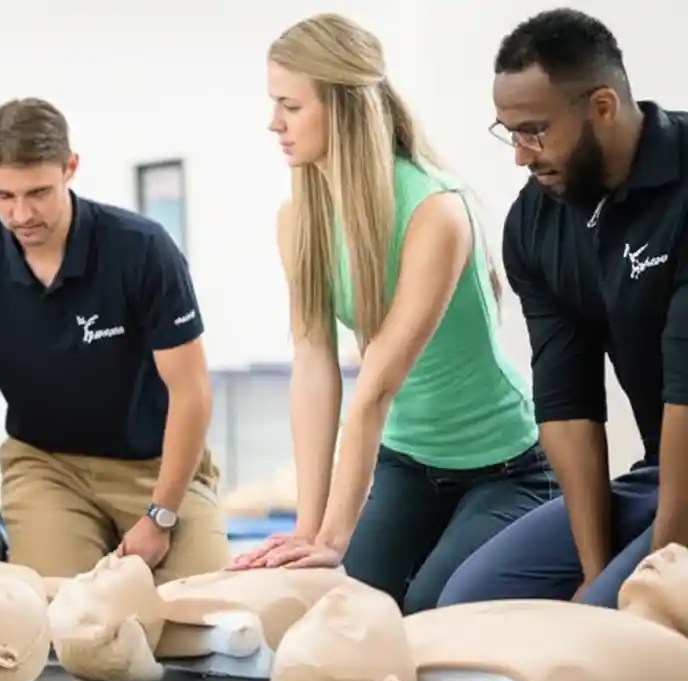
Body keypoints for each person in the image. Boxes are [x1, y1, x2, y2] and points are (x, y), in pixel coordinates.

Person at [228, 13, 558, 614]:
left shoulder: (436, 211)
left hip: (507, 468)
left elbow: (377, 385)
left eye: (290, 106)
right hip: (407, 463)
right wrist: (308, 527)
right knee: (351, 606)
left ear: (344, 106)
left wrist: (334, 536)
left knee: (431, 606)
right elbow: (314, 366)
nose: (273, 122)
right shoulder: (297, 220)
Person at [0, 98, 229, 585]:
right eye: (3, 196)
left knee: (203, 613)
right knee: (67, 620)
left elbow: (190, 390)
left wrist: (161, 516)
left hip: (155, 464)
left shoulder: (142, 249)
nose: (21, 214)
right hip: (49, 467)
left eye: (38, 192)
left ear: (71, 168)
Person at [438, 9, 688, 609]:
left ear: (602, 107)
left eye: (535, 131)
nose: (521, 156)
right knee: (471, 601)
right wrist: (592, 567)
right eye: (510, 133)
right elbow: (567, 402)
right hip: (662, 471)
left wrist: (655, 580)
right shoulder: (535, 221)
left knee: (617, 620)